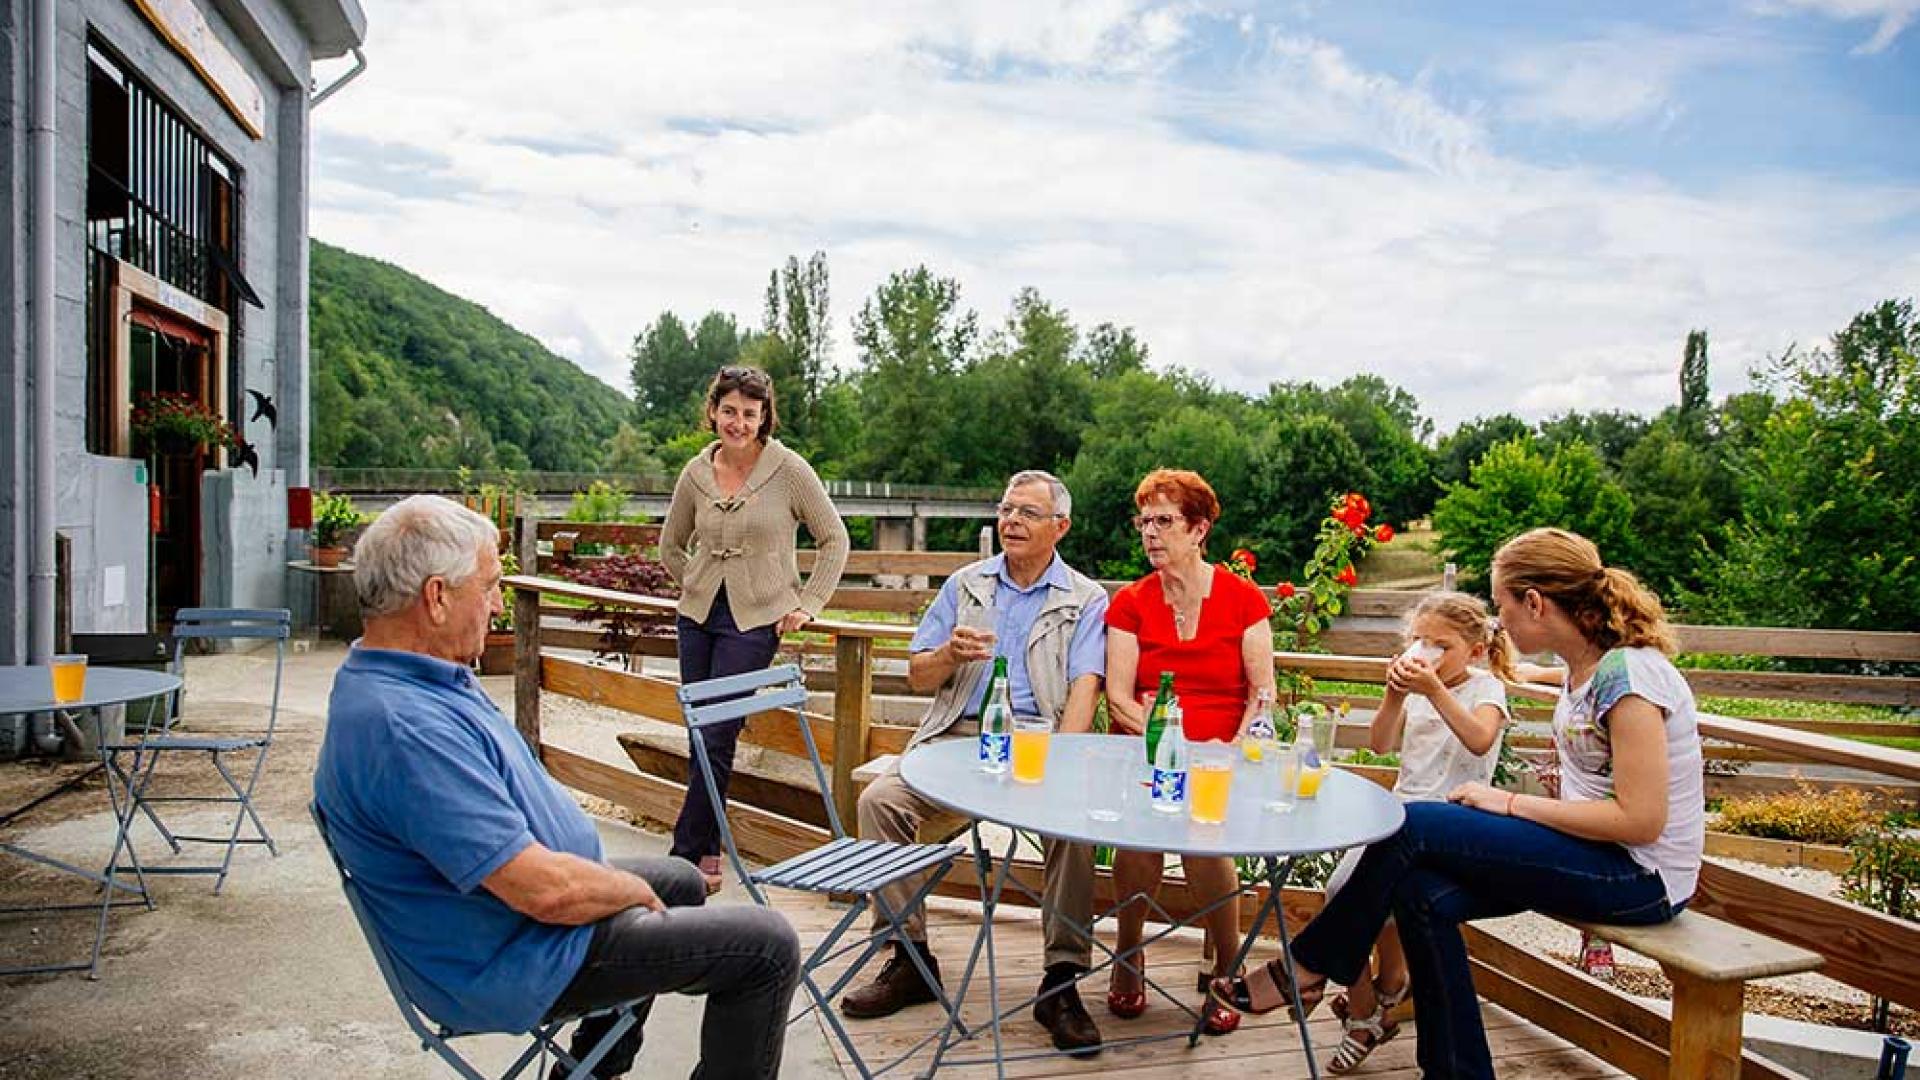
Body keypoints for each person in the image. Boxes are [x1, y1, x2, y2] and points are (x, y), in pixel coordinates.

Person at [314, 495, 800, 1080]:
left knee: (679, 880)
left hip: (515, 926)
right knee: (765, 947)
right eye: (489, 586)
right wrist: (618, 889)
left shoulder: (412, 675)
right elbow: (541, 891)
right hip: (513, 955)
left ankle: (590, 1072)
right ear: (437, 598)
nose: (497, 603)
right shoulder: (404, 729)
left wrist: (615, 885)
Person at [1213, 527, 1704, 1080]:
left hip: (1640, 878)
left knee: (1412, 826)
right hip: (1593, 856)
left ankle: (1308, 965)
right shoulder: (1584, 668)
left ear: (1535, 603)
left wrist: (1509, 803)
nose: (1500, 622)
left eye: (1502, 605)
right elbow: (1509, 683)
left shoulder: (1630, 677)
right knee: (1421, 894)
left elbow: (1641, 821)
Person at [841, 470, 1110, 1056]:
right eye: (1006, 509)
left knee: (1075, 825)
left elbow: (1086, 688)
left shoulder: (1087, 600)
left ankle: (1060, 981)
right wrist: (946, 654)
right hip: (958, 738)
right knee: (879, 800)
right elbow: (918, 673)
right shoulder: (965, 586)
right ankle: (908, 958)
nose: (1011, 520)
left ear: (1059, 527)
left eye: (1027, 513)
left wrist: (1059, 764)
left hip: (1040, 741)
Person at [660, 365, 849, 893]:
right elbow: (670, 545)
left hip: (757, 619)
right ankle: (708, 848)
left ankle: (683, 854)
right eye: (729, 411)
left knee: (720, 730)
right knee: (701, 730)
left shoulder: (788, 470)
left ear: (765, 416)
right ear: (713, 412)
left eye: (749, 413)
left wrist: (807, 602)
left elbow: (834, 539)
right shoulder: (695, 473)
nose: (738, 422)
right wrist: (695, 583)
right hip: (697, 618)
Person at [1104, 468, 1274, 1037]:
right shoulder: (1130, 602)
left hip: (1220, 755)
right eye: (1144, 521)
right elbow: (1119, 697)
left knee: (1206, 840)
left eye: (1164, 521)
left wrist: (1232, 745)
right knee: (1141, 840)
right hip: (1148, 753)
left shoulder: (1243, 599)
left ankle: (1226, 967)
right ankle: (1129, 954)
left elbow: (1262, 692)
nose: (1150, 533)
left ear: (1198, 529)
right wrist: (1164, 738)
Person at [1317, 591, 1514, 1073]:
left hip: (1456, 820)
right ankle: (1365, 1011)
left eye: (1440, 645)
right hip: (1401, 812)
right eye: (1419, 641)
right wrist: (1394, 695)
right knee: (1338, 893)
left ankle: (1385, 995)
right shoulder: (1419, 690)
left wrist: (1434, 691)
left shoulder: (1486, 687)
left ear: (1475, 650)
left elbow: (1480, 738)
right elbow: (1381, 744)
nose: (1426, 652)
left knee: (1395, 904)